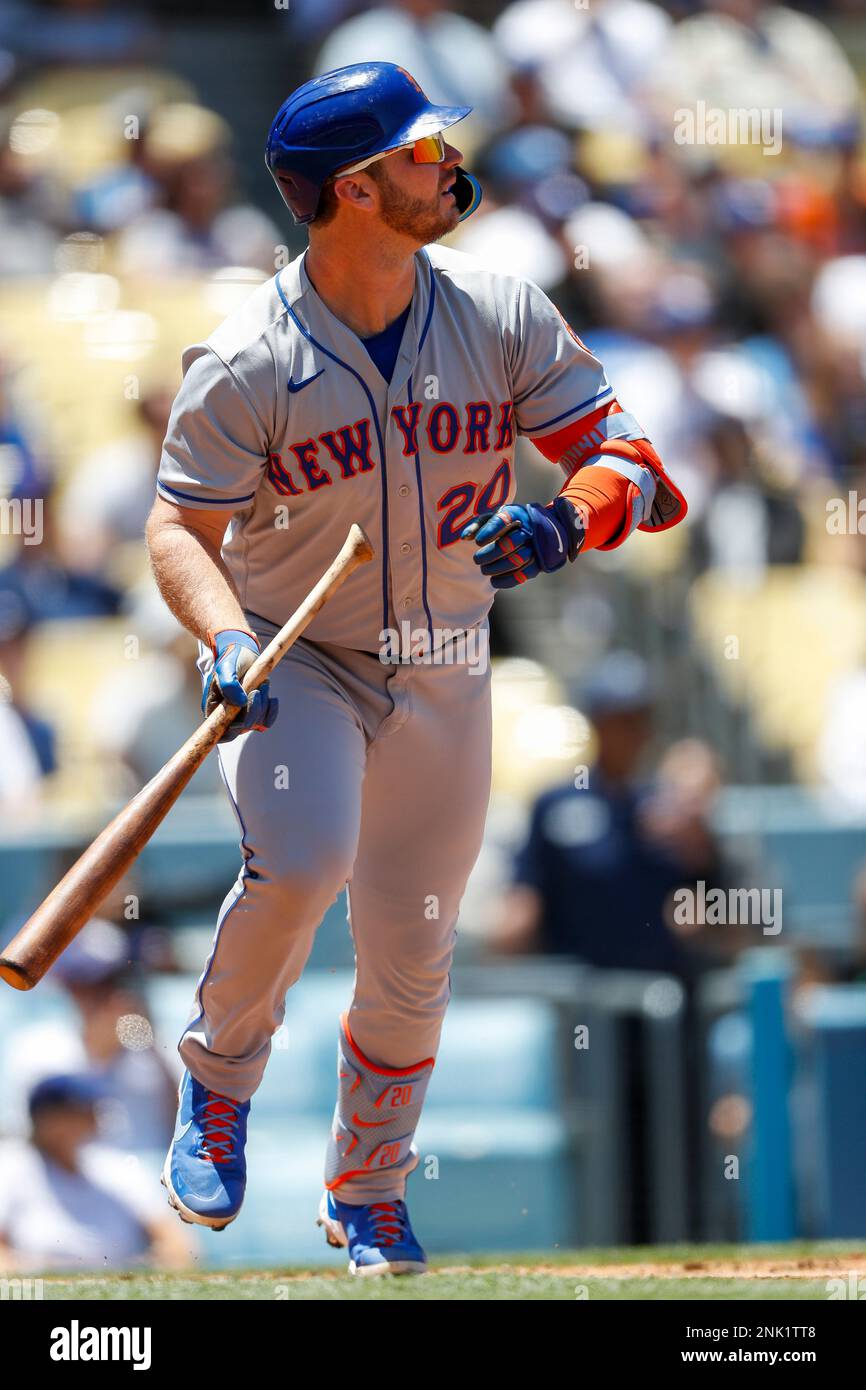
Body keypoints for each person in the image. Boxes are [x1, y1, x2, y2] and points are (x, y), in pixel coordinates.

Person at [145, 62, 686, 1276]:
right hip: (305, 660)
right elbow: (176, 527)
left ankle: (370, 1193)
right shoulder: (244, 357)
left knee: (414, 945)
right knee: (300, 859)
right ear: (355, 188)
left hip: (446, 662)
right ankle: (218, 1084)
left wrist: (563, 521)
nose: (444, 163)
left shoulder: (497, 310)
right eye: (419, 151)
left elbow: (629, 457)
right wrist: (223, 635)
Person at [0, 1075, 190, 1273]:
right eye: (77, 1110)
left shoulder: (119, 1167)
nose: (91, 1115)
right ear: (45, 1117)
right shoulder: (12, 1165)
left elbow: (177, 1244)